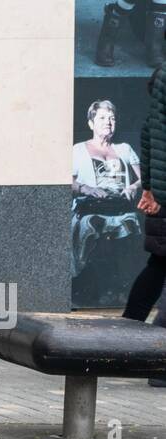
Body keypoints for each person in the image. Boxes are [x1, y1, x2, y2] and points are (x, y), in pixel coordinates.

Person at [121, 67, 166, 386]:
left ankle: (122, 339)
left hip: (160, 198)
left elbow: (150, 141)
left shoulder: (153, 121)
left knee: (157, 267)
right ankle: (159, 362)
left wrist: (151, 190)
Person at [71, 99, 142, 289]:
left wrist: (133, 187)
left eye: (112, 118)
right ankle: (95, 286)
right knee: (92, 226)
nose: (108, 122)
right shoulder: (78, 150)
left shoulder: (124, 149)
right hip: (90, 209)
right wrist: (86, 188)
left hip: (120, 209)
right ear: (91, 123)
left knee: (129, 227)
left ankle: (120, 285)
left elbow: (145, 179)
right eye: (102, 118)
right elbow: (65, 181)